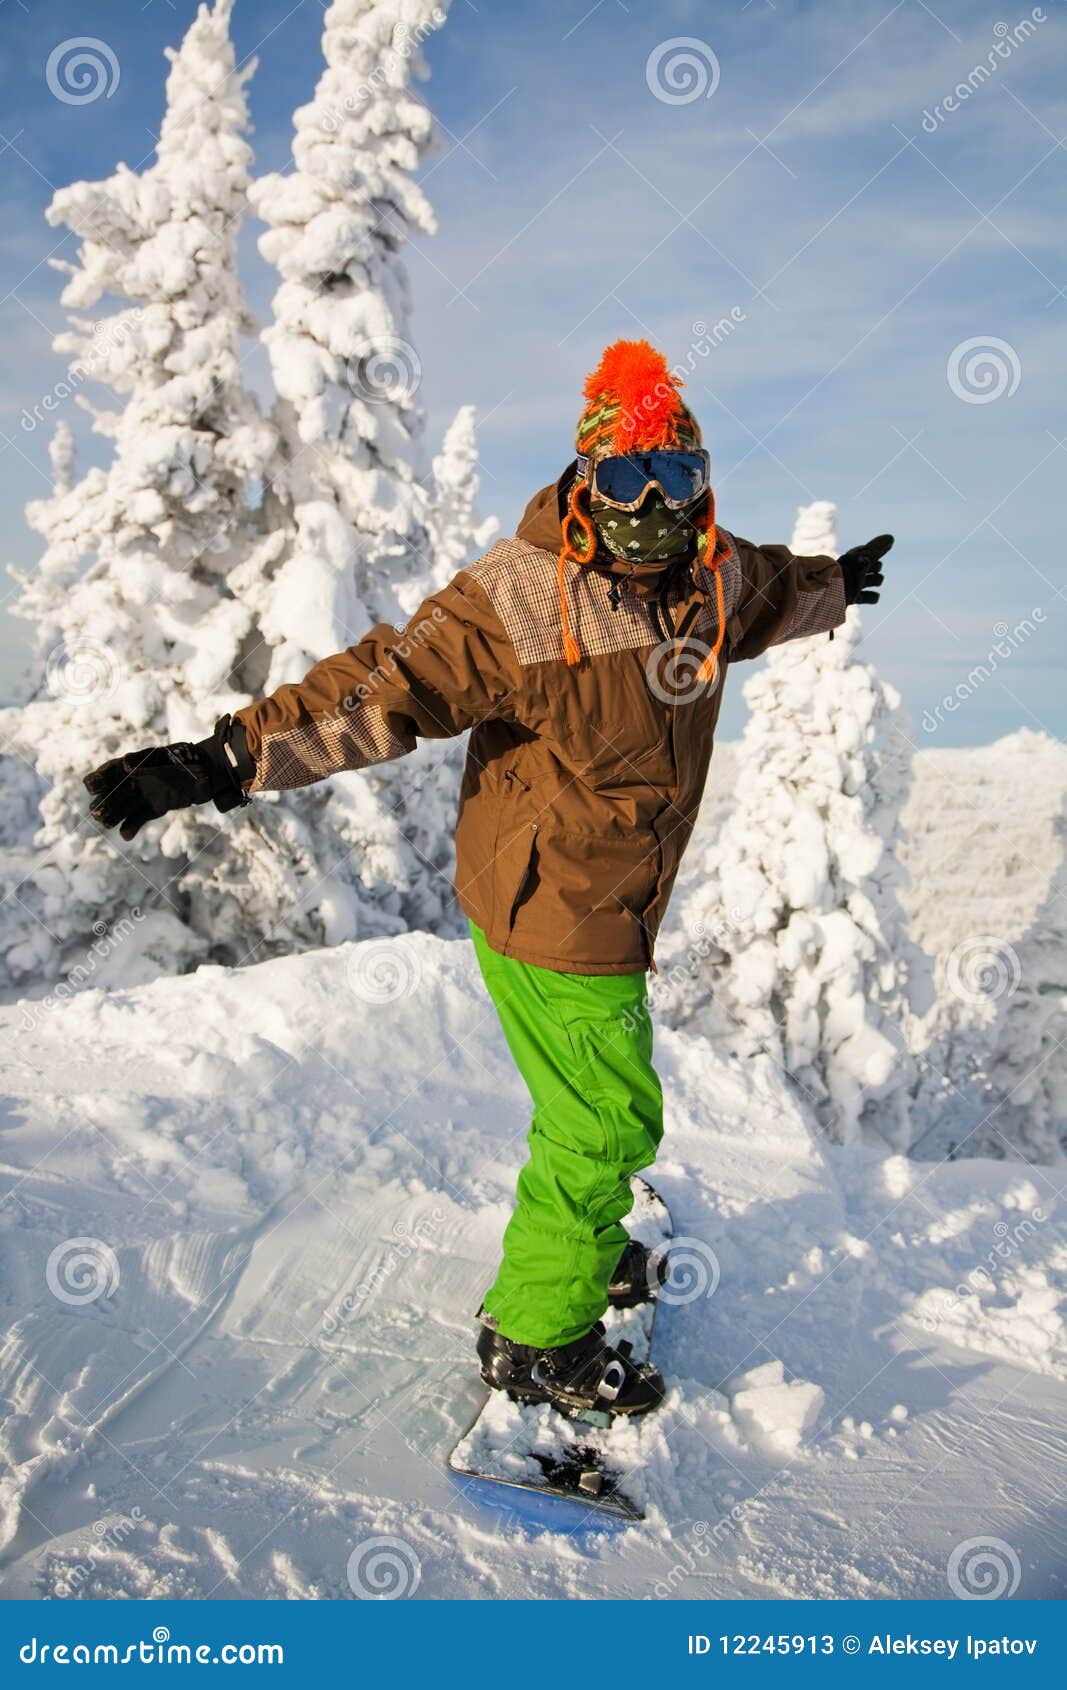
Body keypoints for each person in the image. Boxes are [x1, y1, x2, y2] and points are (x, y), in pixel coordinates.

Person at [85, 339, 891, 1422]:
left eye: (674, 481)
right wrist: (226, 758)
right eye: (622, 481)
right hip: (556, 913)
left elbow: (758, 598)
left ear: (702, 491)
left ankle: (581, 1244)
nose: (648, 503)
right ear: (582, 485)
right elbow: (381, 687)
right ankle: (536, 1335)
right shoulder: (519, 601)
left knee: (581, 1105)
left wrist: (829, 586)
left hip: (591, 897)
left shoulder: (705, 574)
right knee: (604, 1121)